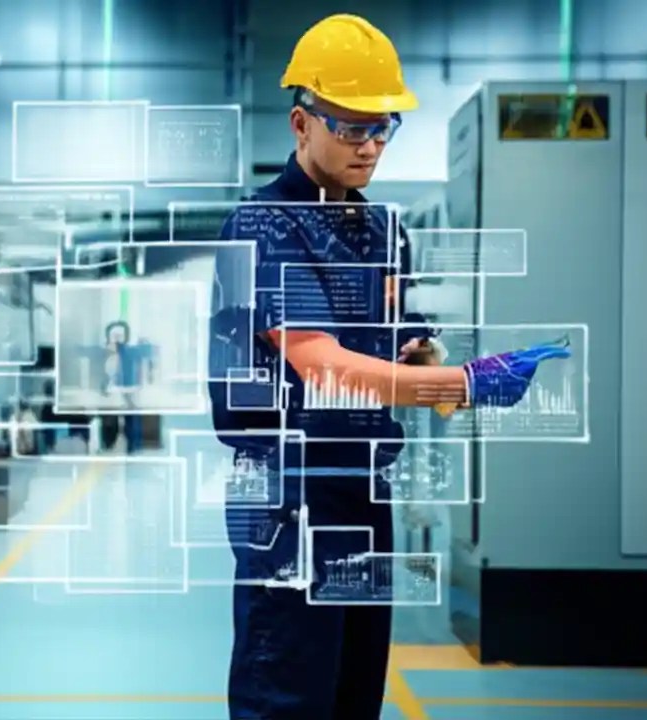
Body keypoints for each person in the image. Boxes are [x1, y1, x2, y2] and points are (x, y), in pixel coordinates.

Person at [206, 14, 570, 719]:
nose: (370, 146)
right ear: (300, 122)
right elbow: (323, 365)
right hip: (290, 499)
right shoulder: (264, 227)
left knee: (353, 693)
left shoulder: (379, 230)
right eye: (350, 127)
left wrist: (439, 364)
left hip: (362, 493)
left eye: (383, 128)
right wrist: (461, 385)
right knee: (288, 691)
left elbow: (400, 341)